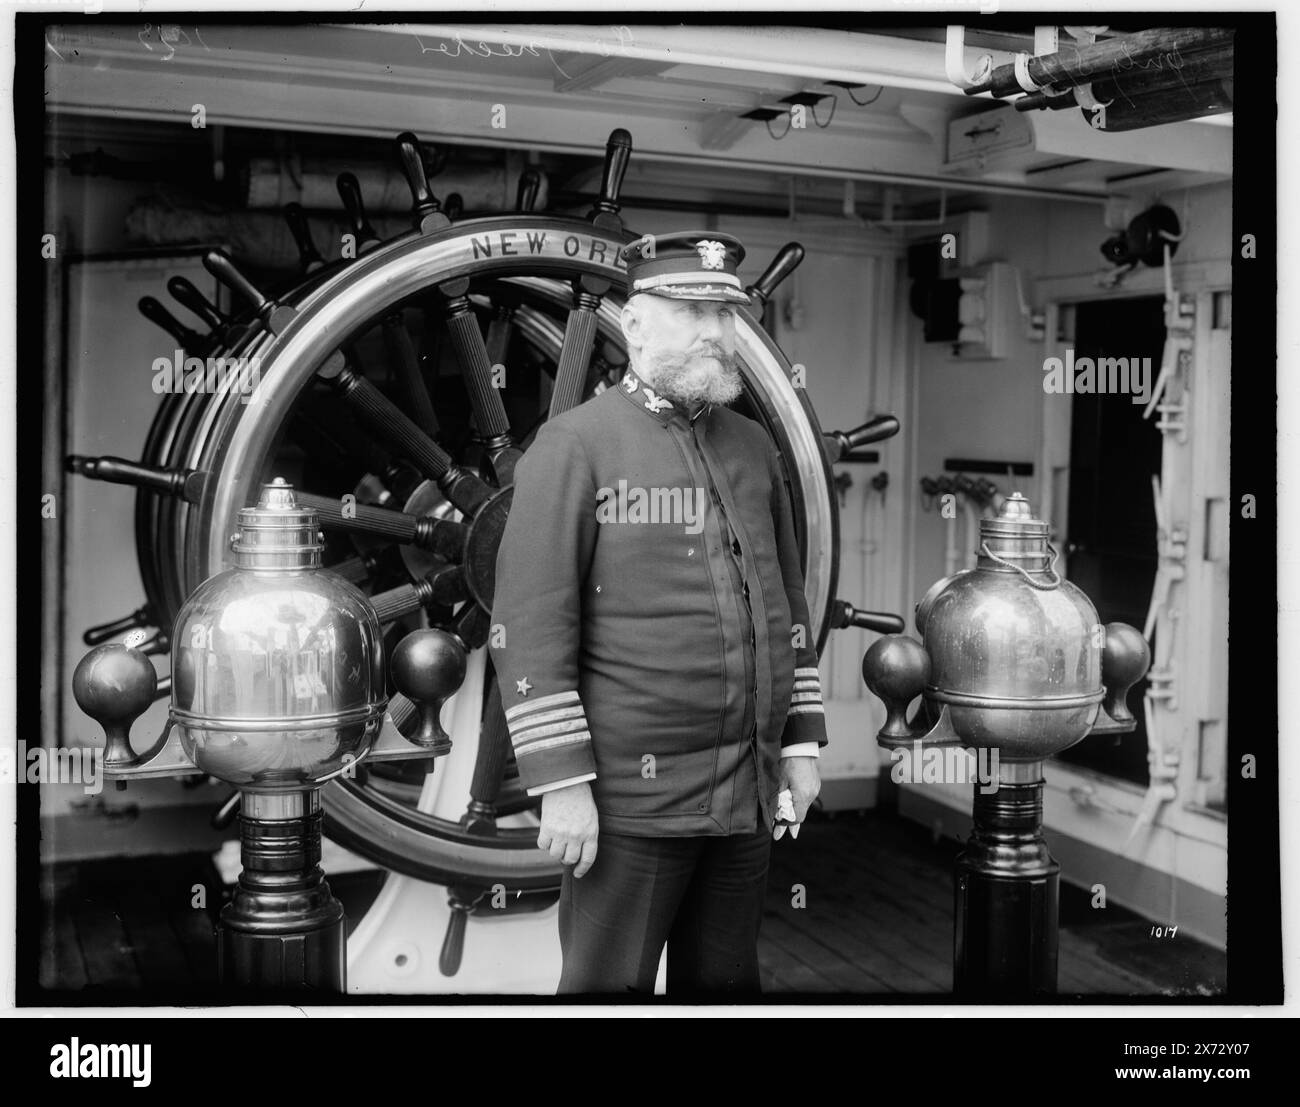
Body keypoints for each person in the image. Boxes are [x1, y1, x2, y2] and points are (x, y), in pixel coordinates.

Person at [489, 230, 826, 994]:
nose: (716, 331)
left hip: (745, 791)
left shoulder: (750, 444)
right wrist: (561, 783)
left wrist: (801, 743)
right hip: (629, 808)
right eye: (691, 311)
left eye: (726, 314)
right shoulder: (574, 446)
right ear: (634, 324)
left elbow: (786, 604)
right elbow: (531, 627)